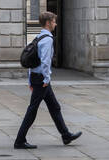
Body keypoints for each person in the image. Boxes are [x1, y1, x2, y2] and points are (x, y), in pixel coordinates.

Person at [14, 11, 83, 150]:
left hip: (36, 77)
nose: (55, 24)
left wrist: (30, 80)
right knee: (32, 110)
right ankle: (19, 140)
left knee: (54, 107)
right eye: (54, 21)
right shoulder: (48, 39)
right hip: (41, 79)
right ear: (48, 23)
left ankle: (65, 135)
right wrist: (46, 78)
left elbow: (33, 61)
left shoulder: (38, 37)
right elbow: (45, 61)